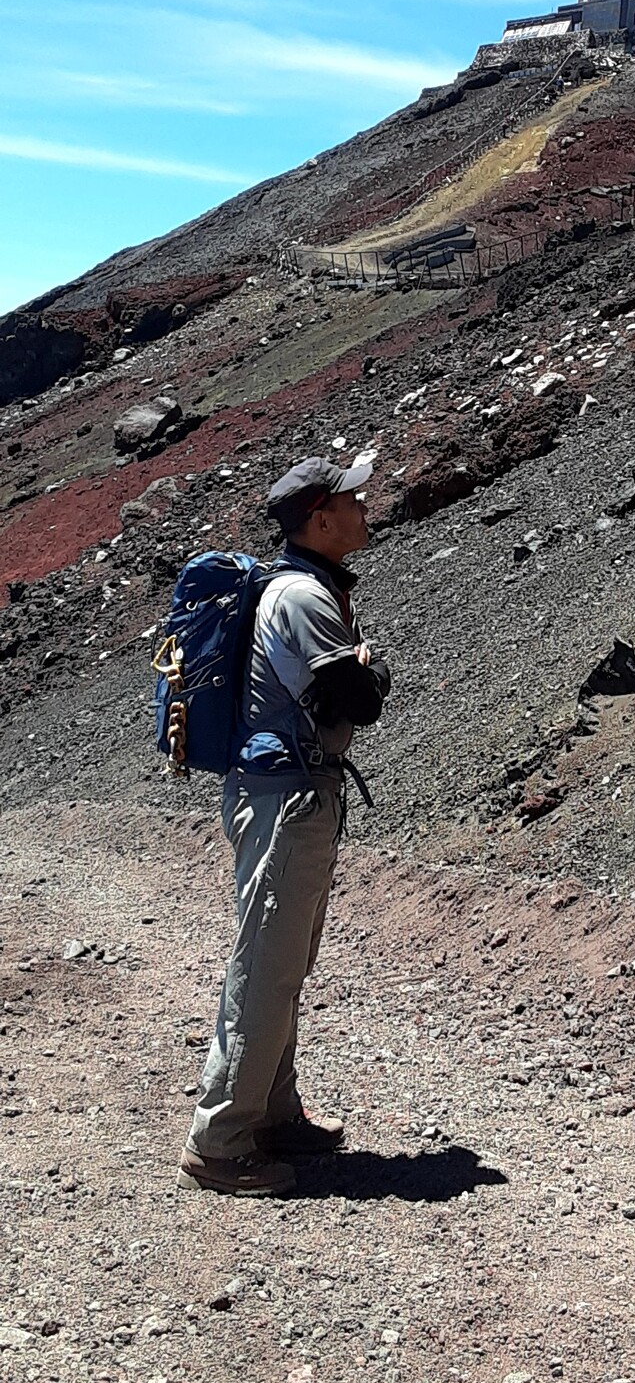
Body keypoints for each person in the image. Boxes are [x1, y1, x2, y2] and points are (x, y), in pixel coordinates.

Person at [178, 453, 390, 1197]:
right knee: (265, 965)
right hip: (286, 797)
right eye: (352, 498)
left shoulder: (301, 587)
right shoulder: (302, 596)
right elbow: (358, 699)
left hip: (288, 792)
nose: (366, 506)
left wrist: (363, 669)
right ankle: (222, 1139)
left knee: (284, 960)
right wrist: (374, 667)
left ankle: (271, 1111)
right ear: (319, 518)